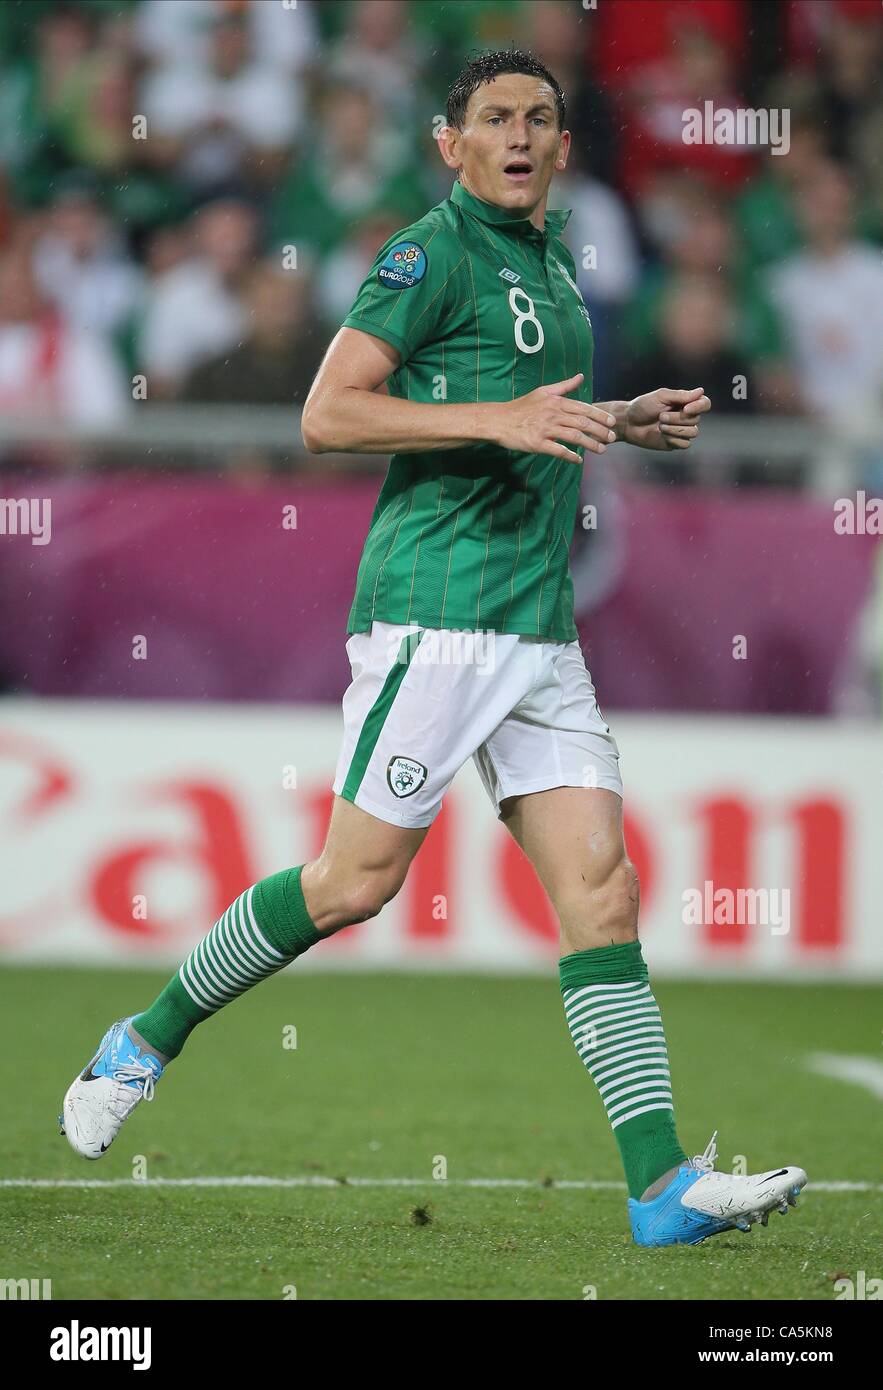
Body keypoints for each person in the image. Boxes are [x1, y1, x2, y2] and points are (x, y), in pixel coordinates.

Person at [61, 49, 806, 1249]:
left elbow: (529, 409)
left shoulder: (557, 260)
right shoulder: (428, 253)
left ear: (566, 149)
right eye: (496, 118)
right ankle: (141, 1041)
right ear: (450, 144)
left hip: (538, 627)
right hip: (437, 620)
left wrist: (616, 421)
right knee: (353, 883)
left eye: (542, 120)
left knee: (602, 891)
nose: (521, 135)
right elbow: (326, 411)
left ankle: (659, 1186)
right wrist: (495, 418)